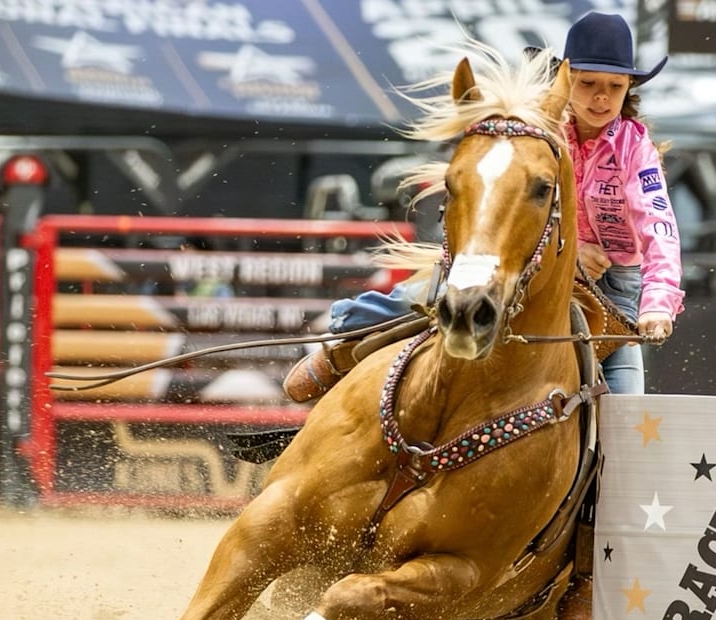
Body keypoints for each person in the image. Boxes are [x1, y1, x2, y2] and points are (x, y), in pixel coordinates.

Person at [283, 11, 684, 402]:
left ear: (628, 89)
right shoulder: (539, 131)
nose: (601, 96)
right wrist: (572, 251)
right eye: (588, 83)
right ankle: (342, 337)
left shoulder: (636, 150)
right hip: (536, 257)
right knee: (433, 289)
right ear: (565, 82)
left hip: (613, 289)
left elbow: (659, 226)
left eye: (615, 86)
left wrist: (659, 304)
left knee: (628, 411)